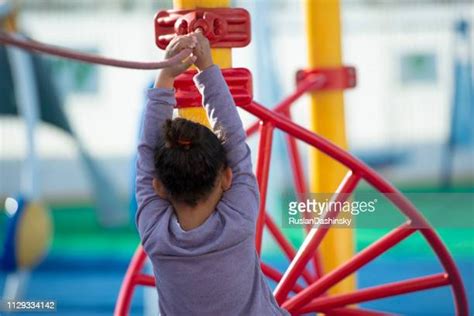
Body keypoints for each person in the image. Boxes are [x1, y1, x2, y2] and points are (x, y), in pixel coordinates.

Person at [135, 30, 288, 315]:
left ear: (159, 187)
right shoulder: (239, 218)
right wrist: (205, 67)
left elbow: (146, 159)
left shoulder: (156, 234)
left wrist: (165, 76)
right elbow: (234, 138)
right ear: (226, 178)